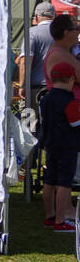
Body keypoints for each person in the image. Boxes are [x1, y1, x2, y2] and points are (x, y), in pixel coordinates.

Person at [38, 62, 80, 231]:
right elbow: (76, 123)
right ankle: (60, 221)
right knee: (64, 183)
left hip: (50, 145)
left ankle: (50, 216)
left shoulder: (45, 99)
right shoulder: (70, 101)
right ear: (71, 79)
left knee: (49, 180)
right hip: (67, 147)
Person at [16, 1, 55, 101]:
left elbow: (25, 61)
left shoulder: (31, 33)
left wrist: (22, 86)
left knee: (32, 116)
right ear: (54, 16)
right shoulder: (63, 33)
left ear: (36, 16)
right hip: (60, 87)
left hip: (37, 88)